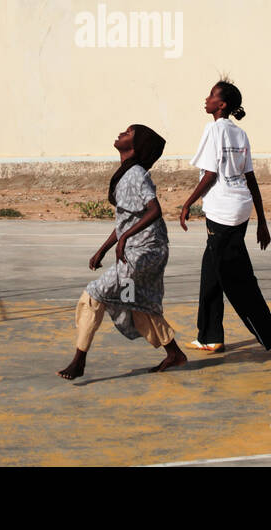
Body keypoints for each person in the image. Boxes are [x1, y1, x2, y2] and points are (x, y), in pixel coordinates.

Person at [57, 124, 187, 380]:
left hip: (145, 251)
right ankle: (175, 354)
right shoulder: (126, 173)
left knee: (94, 294)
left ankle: (79, 360)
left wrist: (125, 238)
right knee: (136, 301)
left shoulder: (138, 174)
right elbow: (127, 220)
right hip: (138, 250)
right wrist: (103, 249)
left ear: (136, 147)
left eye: (128, 133)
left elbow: (154, 210)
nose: (121, 133)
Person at [180, 79, 271, 358]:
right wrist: (261, 220)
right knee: (210, 274)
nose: (206, 99)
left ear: (222, 104)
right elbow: (251, 180)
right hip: (240, 209)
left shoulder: (214, 130)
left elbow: (210, 174)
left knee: (238, 282)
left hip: (223, 213)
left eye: (211, 96)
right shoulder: (241, 134)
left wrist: (187, 203)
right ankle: (210, 336)